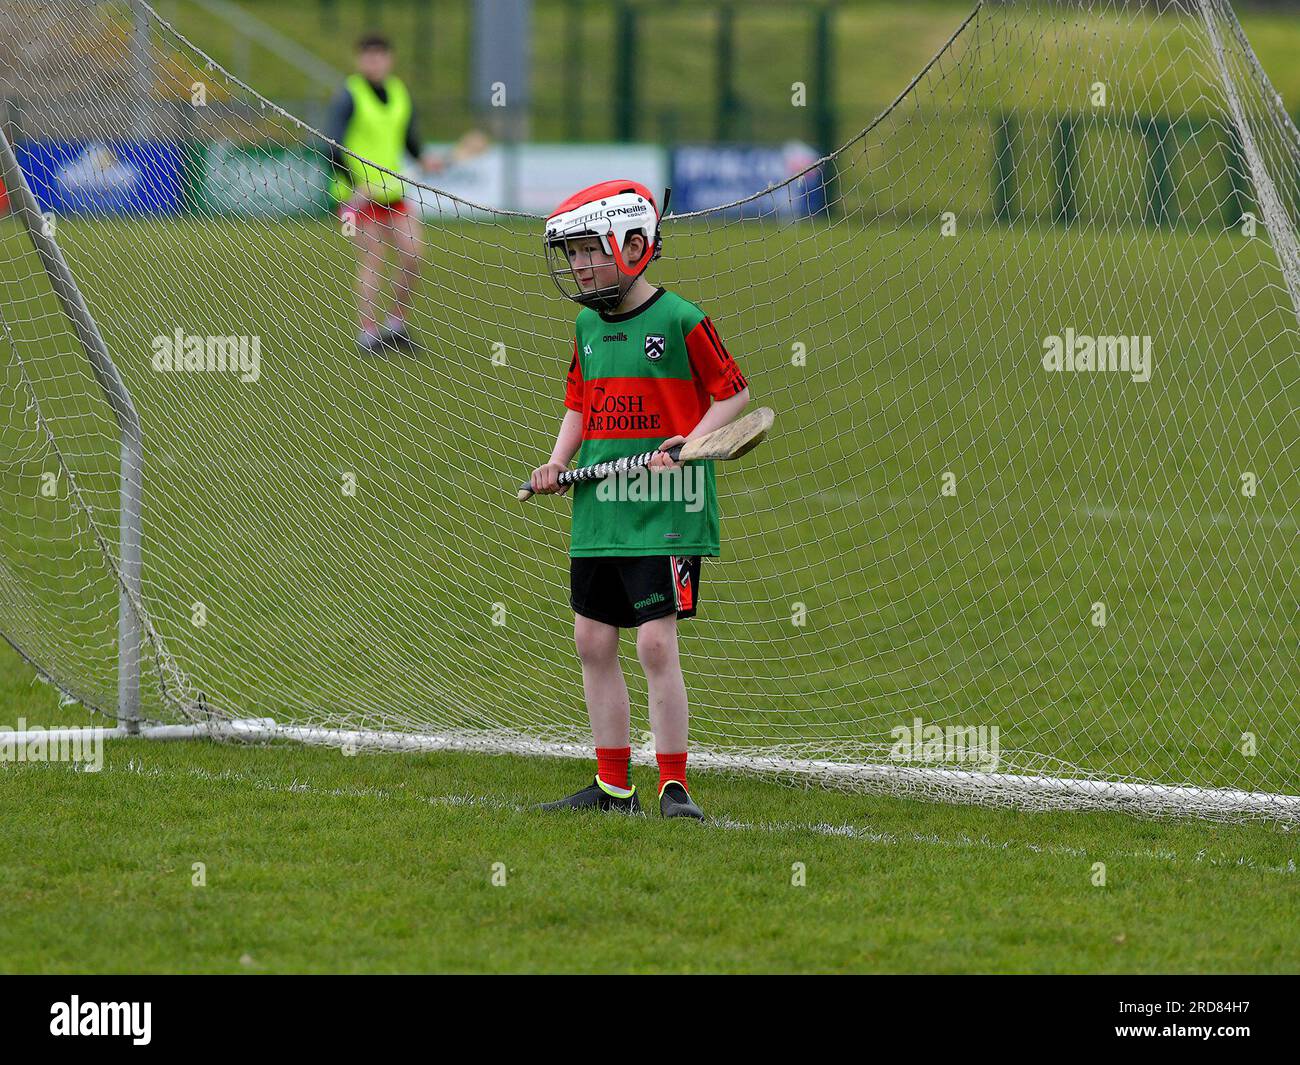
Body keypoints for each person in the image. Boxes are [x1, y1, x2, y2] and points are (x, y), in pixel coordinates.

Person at [530, 180, 751, 820]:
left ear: (631, 246)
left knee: (655, 644)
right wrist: (557, 462)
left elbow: (733, 395)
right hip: (601, 503)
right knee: (592, 642)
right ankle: (612, 786)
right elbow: (580, 403)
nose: (577, 267)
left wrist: (689, 442)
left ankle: (674, 785)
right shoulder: (585, 324)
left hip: (668, 505)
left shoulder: (682, 319)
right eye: (569, 255)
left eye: (585, 252)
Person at [326, 33, 440, 354]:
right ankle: (368, 333)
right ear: (359, 60)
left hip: (393, 193)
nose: (374, 61)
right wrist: (352, 184)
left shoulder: (400, 93)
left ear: (389, 59)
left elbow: (408, 138)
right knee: (373, 258)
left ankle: (395, 325)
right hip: (357, 198)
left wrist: (422, 158)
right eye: (368, 56)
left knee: (414, 255)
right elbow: (329, 144)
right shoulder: (349, 95)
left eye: (380, 55)